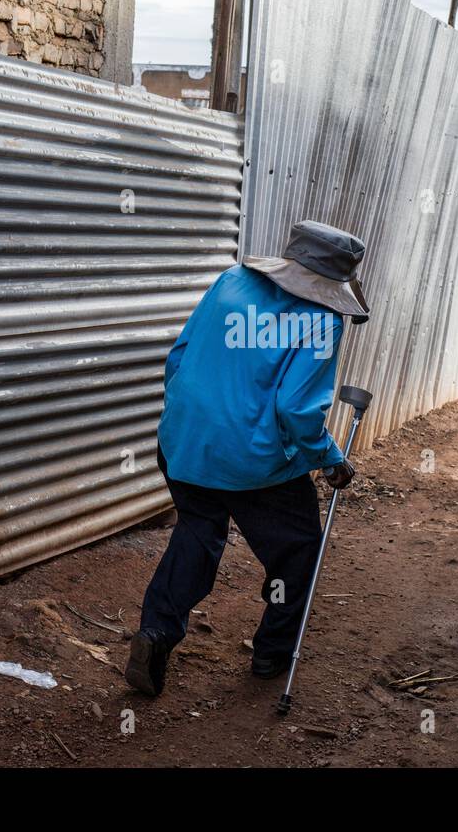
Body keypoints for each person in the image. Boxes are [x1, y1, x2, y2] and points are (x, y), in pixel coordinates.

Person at [124, 221, 371, 697]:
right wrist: (330, 457)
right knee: (297, 550)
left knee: (197, 535)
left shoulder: (230, 281)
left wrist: (197, 418)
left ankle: (156, 632)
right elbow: (296, 409)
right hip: (254, 464)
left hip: (185, 441)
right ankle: (271, 653)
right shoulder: (322, 317)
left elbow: (178, 358)